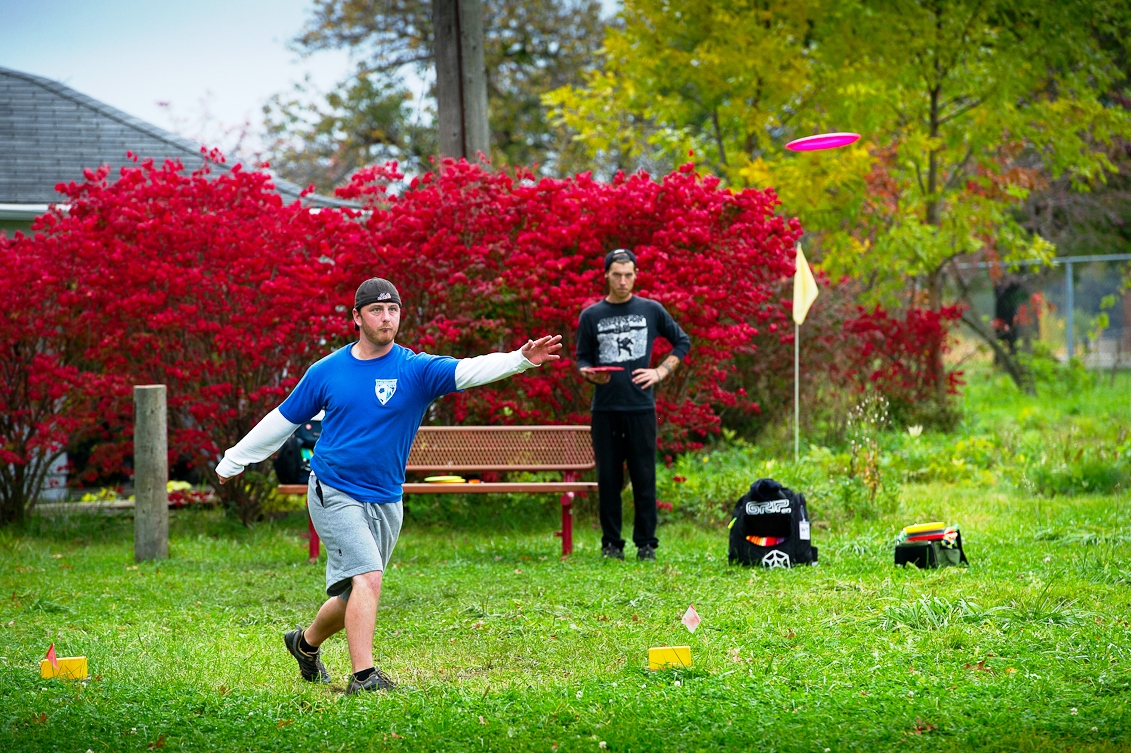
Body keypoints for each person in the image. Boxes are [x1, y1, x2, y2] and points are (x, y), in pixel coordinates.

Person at [216, 278, 561, 694]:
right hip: (334, 489)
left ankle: (304, 644)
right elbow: (282, 421)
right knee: (369, 577)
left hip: (386, 496)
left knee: (354, 592)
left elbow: (468, 370)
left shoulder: (415, 370)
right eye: (377, 310)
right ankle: (364, 678)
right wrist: (235, 460)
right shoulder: (327, 371)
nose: (386, 317)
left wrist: (520, 359)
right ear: (356, 318)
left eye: (393, 309)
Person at [575, 249, 691, 562]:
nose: (623, 281)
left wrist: (660, 371)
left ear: (636, 275)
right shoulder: (591, 316)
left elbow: (682, 341)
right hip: (606, 409)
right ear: (606, 276)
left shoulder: (651, 310)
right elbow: (582, 358)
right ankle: (611, 544)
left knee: (643, 477)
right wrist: (588, 374)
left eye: (628, 275)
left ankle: (646, 545)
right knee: (609, 478)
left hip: (641, 408)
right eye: (617, 275)